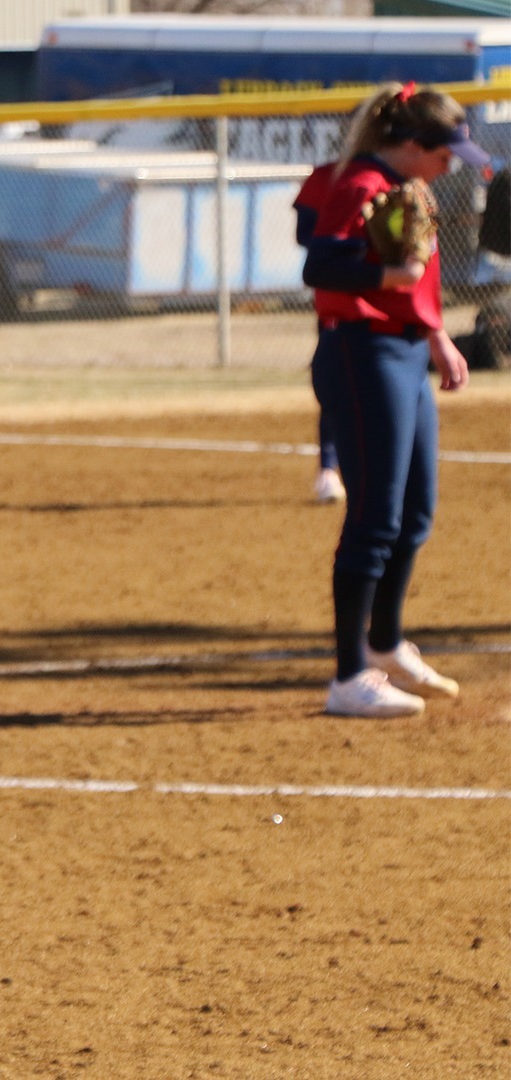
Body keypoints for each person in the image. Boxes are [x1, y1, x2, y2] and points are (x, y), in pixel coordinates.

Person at [301, 81, 476, 718]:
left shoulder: (409, 188)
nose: (451, 162)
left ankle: (384, 643)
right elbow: (319, 266)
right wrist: (385, 275)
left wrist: (436, 337)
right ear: (408, 144)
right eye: (443, 150)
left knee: (415, 510)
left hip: (402, 351)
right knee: (375, 517)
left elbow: (415, 283)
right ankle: (349, 677)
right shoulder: (359, 185)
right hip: (361, 353)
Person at [294, 163, 347, 503]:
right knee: (335, 386)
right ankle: (329, 469)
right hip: (340, 296)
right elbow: (303, 233)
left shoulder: (405, 178)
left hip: (391, 301)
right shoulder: (328, 176)